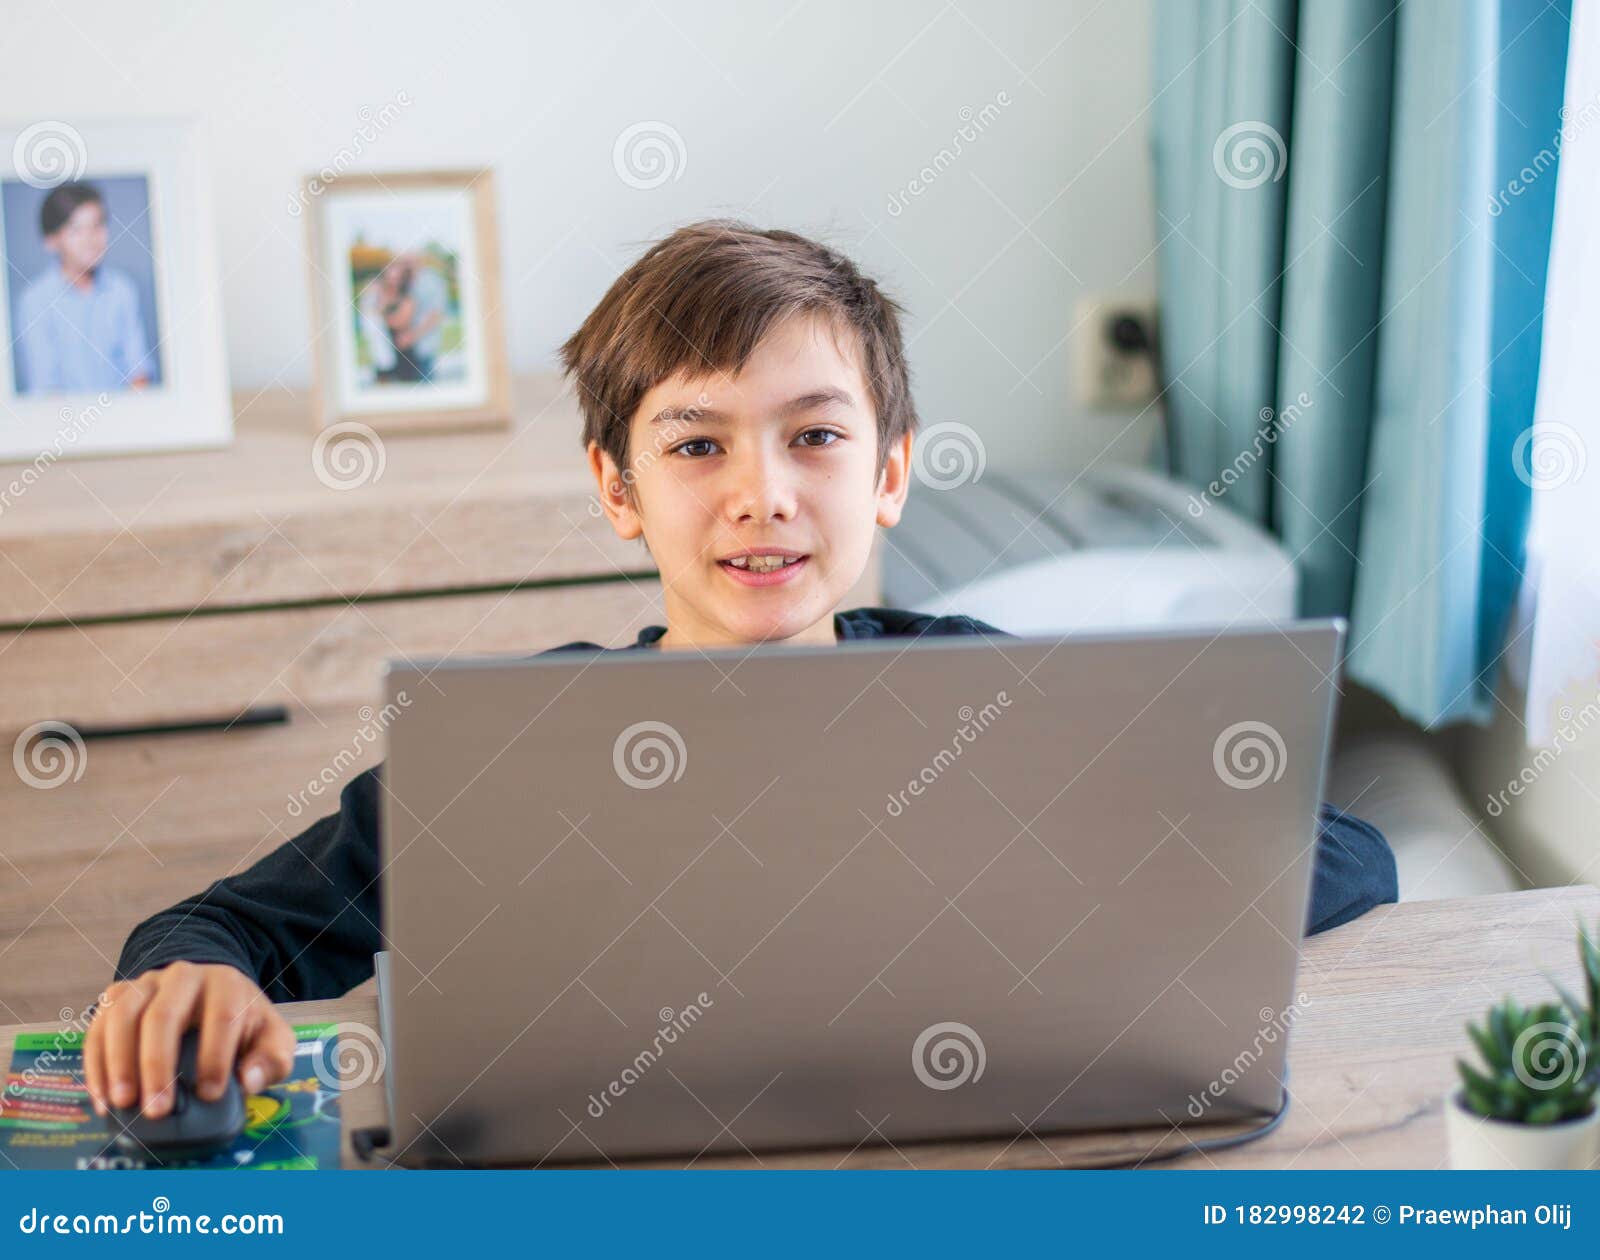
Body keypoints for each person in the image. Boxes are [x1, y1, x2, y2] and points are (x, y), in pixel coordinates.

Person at [83, 220, 1399, 1122]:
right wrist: (189, 985)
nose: (761, 496)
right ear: (619, 490)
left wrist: (1103, 854)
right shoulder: (507, 757)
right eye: (698, 447)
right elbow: (214, 934)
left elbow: (1346, 857)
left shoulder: (1000, 713)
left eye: (814, 437)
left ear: (889, 476)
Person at [14, 181, 153, 396]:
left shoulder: (122, 290)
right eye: (76, 230)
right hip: (63, 423)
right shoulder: (35, 301)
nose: (90, 239)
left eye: (97, 226)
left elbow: (139, 372)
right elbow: (46, 389)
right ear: (51, 241)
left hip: (125, 421)